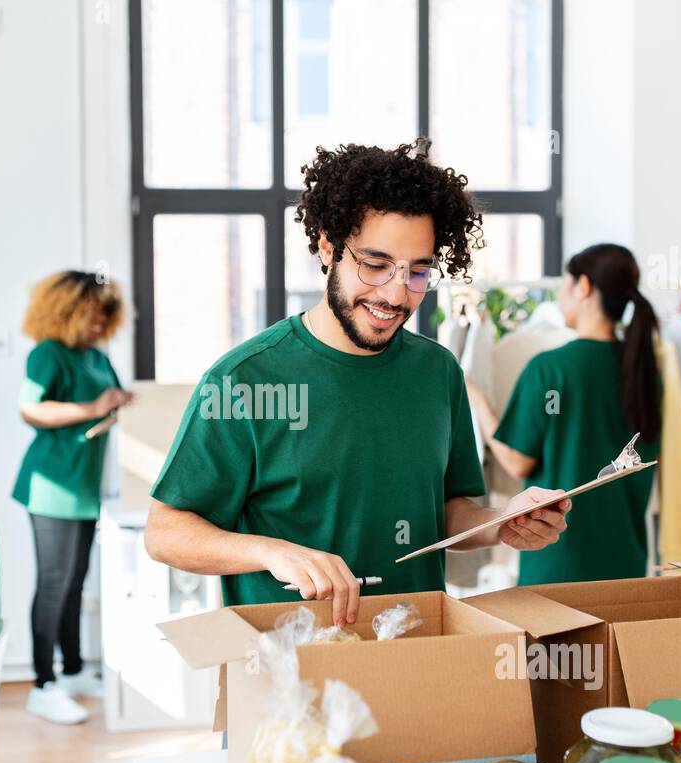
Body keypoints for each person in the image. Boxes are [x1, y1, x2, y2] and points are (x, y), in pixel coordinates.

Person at [144, 139, 571, 623]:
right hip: (286, 670)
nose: (395, 293)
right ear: (328, 246)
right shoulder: (245, 380)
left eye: (417, 272)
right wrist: (273, 553)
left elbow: (449, 511)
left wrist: (502, 521)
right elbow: (165, 531)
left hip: (416, 651)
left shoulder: (438, 373)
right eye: (375, 265)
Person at [466, 243, 662, 586]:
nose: (560, 298)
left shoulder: (550, 369)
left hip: (558, 565)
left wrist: (478, 401)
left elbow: (517, 462)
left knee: (560, 644)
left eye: (565, 285)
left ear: (583, 287)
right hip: (627, 564)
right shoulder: (645, 373)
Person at [13, 271, 132, 725]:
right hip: (51, 486)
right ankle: (42, 685)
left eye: (105, 316)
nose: (100, 324)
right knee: (54, 584)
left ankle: (74, 670)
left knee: (76, 583)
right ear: (67, 312)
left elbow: (109, 399)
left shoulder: (97, 357)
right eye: (91, 315)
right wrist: (91, 409)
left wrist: (120, 402)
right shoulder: (48, 353)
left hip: (83, 488)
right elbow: (31, 408)